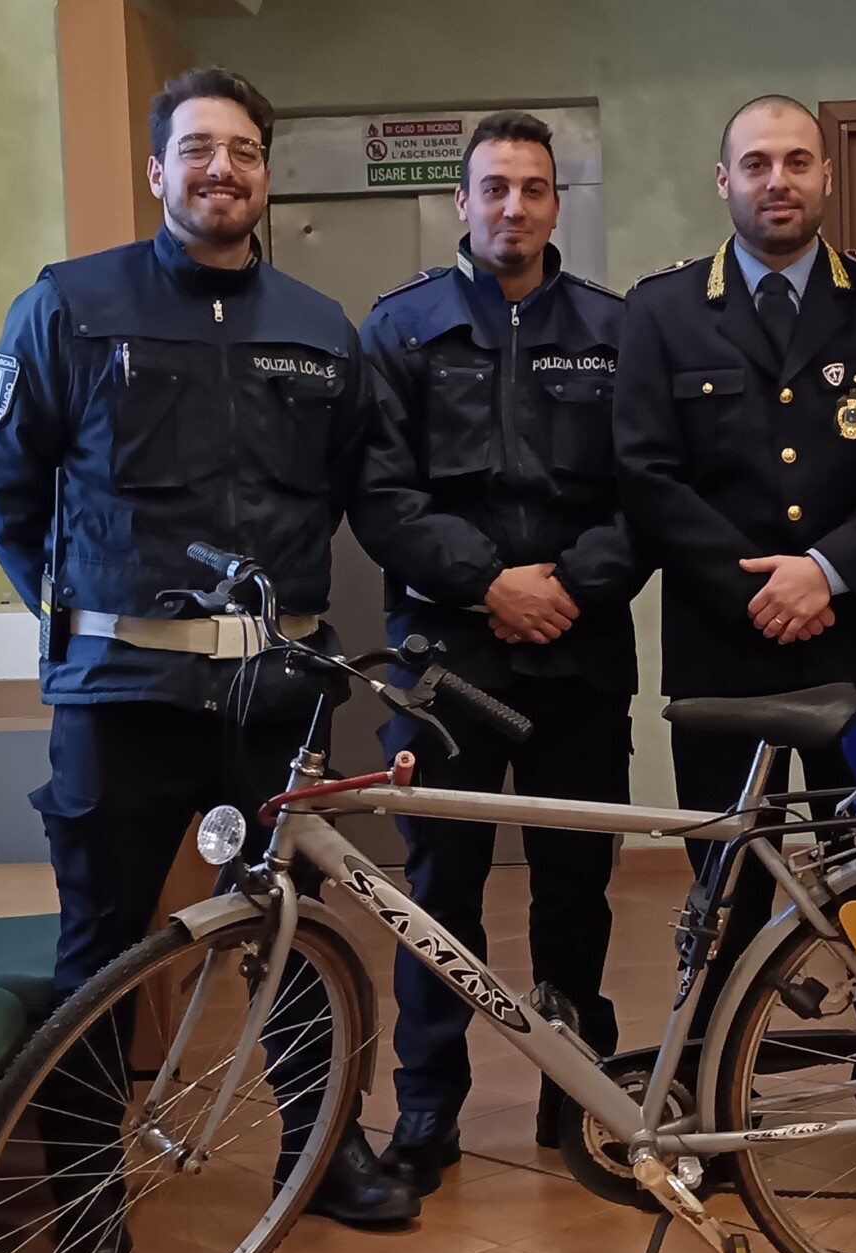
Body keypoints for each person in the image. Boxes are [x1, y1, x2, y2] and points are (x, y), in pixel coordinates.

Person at [0, 67, 419, 1253]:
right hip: (124, 699)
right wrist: (70, 617)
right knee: (106, 953)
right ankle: (86, 1198)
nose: (223, 169)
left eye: (245, 151)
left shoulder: (322, 327)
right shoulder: (69, 305)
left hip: (274, 697)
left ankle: (324, 1153)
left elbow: (373, 492)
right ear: (157, 169)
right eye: (198, 148)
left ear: (267, 174)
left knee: (300, 930)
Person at [612, 94, 856, 1199]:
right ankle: (717, 1105)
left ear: (825, 178)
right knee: (725, 889)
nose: (778, 180)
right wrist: (753, 584)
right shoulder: (661, 311)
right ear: (724, 182)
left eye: (797, 160)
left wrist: (828, 572)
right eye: (755, 162)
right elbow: (646, 476)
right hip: (725, 649)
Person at [349, 111, 642, 1197]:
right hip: (445, 657)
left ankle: (578, 1082)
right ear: (463, 203)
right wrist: (489, 583)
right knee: (438, 889)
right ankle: (426, 1109)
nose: (512, 206)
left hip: (578, 648)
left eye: (532, 187)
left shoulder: (616, 330)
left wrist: (567, 587)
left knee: (578, 884)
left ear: (556, 202)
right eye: (493, 188)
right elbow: (379, 492)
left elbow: (644, 491)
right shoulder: (399, 329)